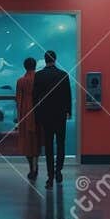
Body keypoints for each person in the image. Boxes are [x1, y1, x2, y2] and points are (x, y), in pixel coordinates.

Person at [31, 49, 73, 186]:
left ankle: (50, 177)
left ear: (45, 60)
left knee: (49, 145)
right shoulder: (63, 75)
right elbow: (68, 95)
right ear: (55, 59)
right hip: (60, 115)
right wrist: (69, 111)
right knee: (61, 143)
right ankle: (58, 171)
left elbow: (35, 97)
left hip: (45, 115)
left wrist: (36, 114)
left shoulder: (39, 76)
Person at [13, 57, 41, 181]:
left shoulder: (20, 81)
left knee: (27, 143)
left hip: (25, 114)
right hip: (39, 113)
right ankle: (36, 165)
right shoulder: (40, 79)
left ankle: (32, 168)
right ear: (35, 66)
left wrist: (18, 118)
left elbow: (18, 100)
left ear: (25, 67)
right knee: (37, 141)